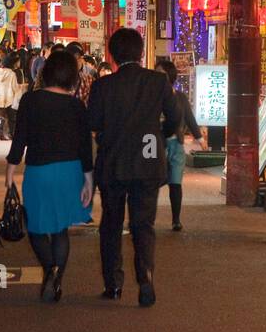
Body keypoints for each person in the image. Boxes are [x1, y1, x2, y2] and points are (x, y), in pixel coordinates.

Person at [88, 28, 178, 306]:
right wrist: (158, 136)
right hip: (148, 161)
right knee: (143, 224)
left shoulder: (102, 86)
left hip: (113, 163)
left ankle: (113, 284)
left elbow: (93, 123)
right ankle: (146, 275)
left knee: (111, 224)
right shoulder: (158, 82)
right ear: (141, 53)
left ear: (112, 55)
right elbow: (175, 118)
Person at [5, 47, 94, 303]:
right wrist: (89, 178)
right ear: (71, 77)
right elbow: (84, 145)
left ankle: (50, 269)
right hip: (70, 171)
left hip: (38, 171)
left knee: (34, 227)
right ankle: (56, 276)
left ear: (46, 72)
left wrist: (10, 171)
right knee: (60, 230)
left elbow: (19, 139)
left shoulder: (30, 100)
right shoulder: (76, 106)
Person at [160, 61, 205, 231]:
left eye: (162, 73)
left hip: (176, 144)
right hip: (157, 144)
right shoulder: (152, 97)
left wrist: (199, 137)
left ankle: (176, 219)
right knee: (153, 180)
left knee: (175, 182)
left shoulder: (180, 97)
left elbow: (189, 117)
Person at [0, 54, 22, 140]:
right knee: (11, 117)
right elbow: (15, 87)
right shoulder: (11, 73)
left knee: (0, 116)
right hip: (9, 98)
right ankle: (11, 134)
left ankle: (0, 132)